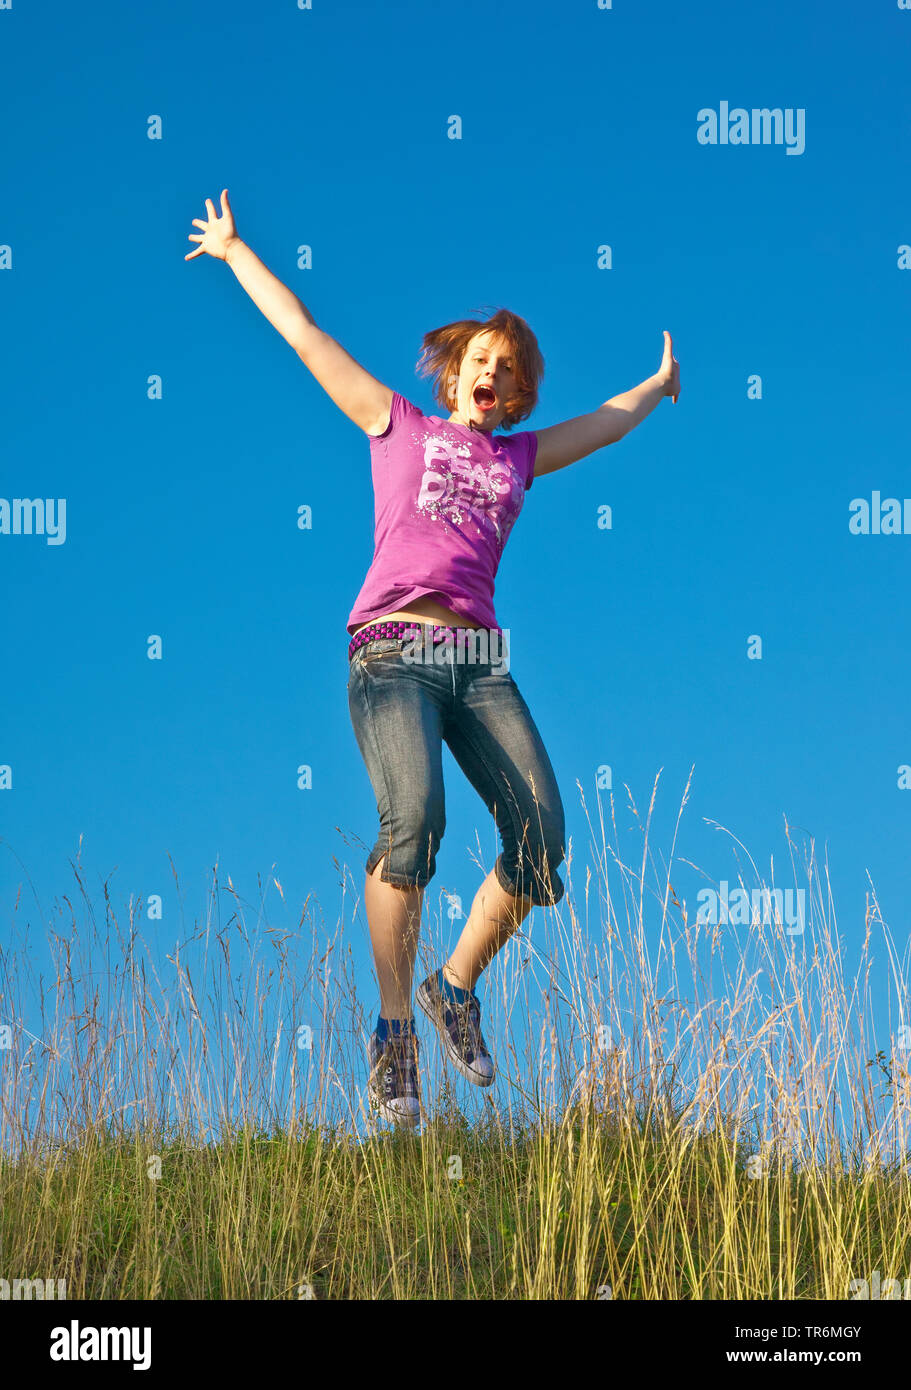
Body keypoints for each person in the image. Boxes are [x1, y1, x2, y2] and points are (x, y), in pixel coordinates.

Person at [186, 189, 681, 1128]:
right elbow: (306, 337)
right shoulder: (396, 426)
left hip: (480, 662)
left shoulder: (519, 459)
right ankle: (393, 1033)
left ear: (516, 396)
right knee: (413, 820)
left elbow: (606, 423)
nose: (493, 376)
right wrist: (238, 252)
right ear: (452, 378)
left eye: (509, 371)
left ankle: (454, 987)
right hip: (391, 654)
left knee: (542, 842)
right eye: (480, 363)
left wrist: (655, 388)